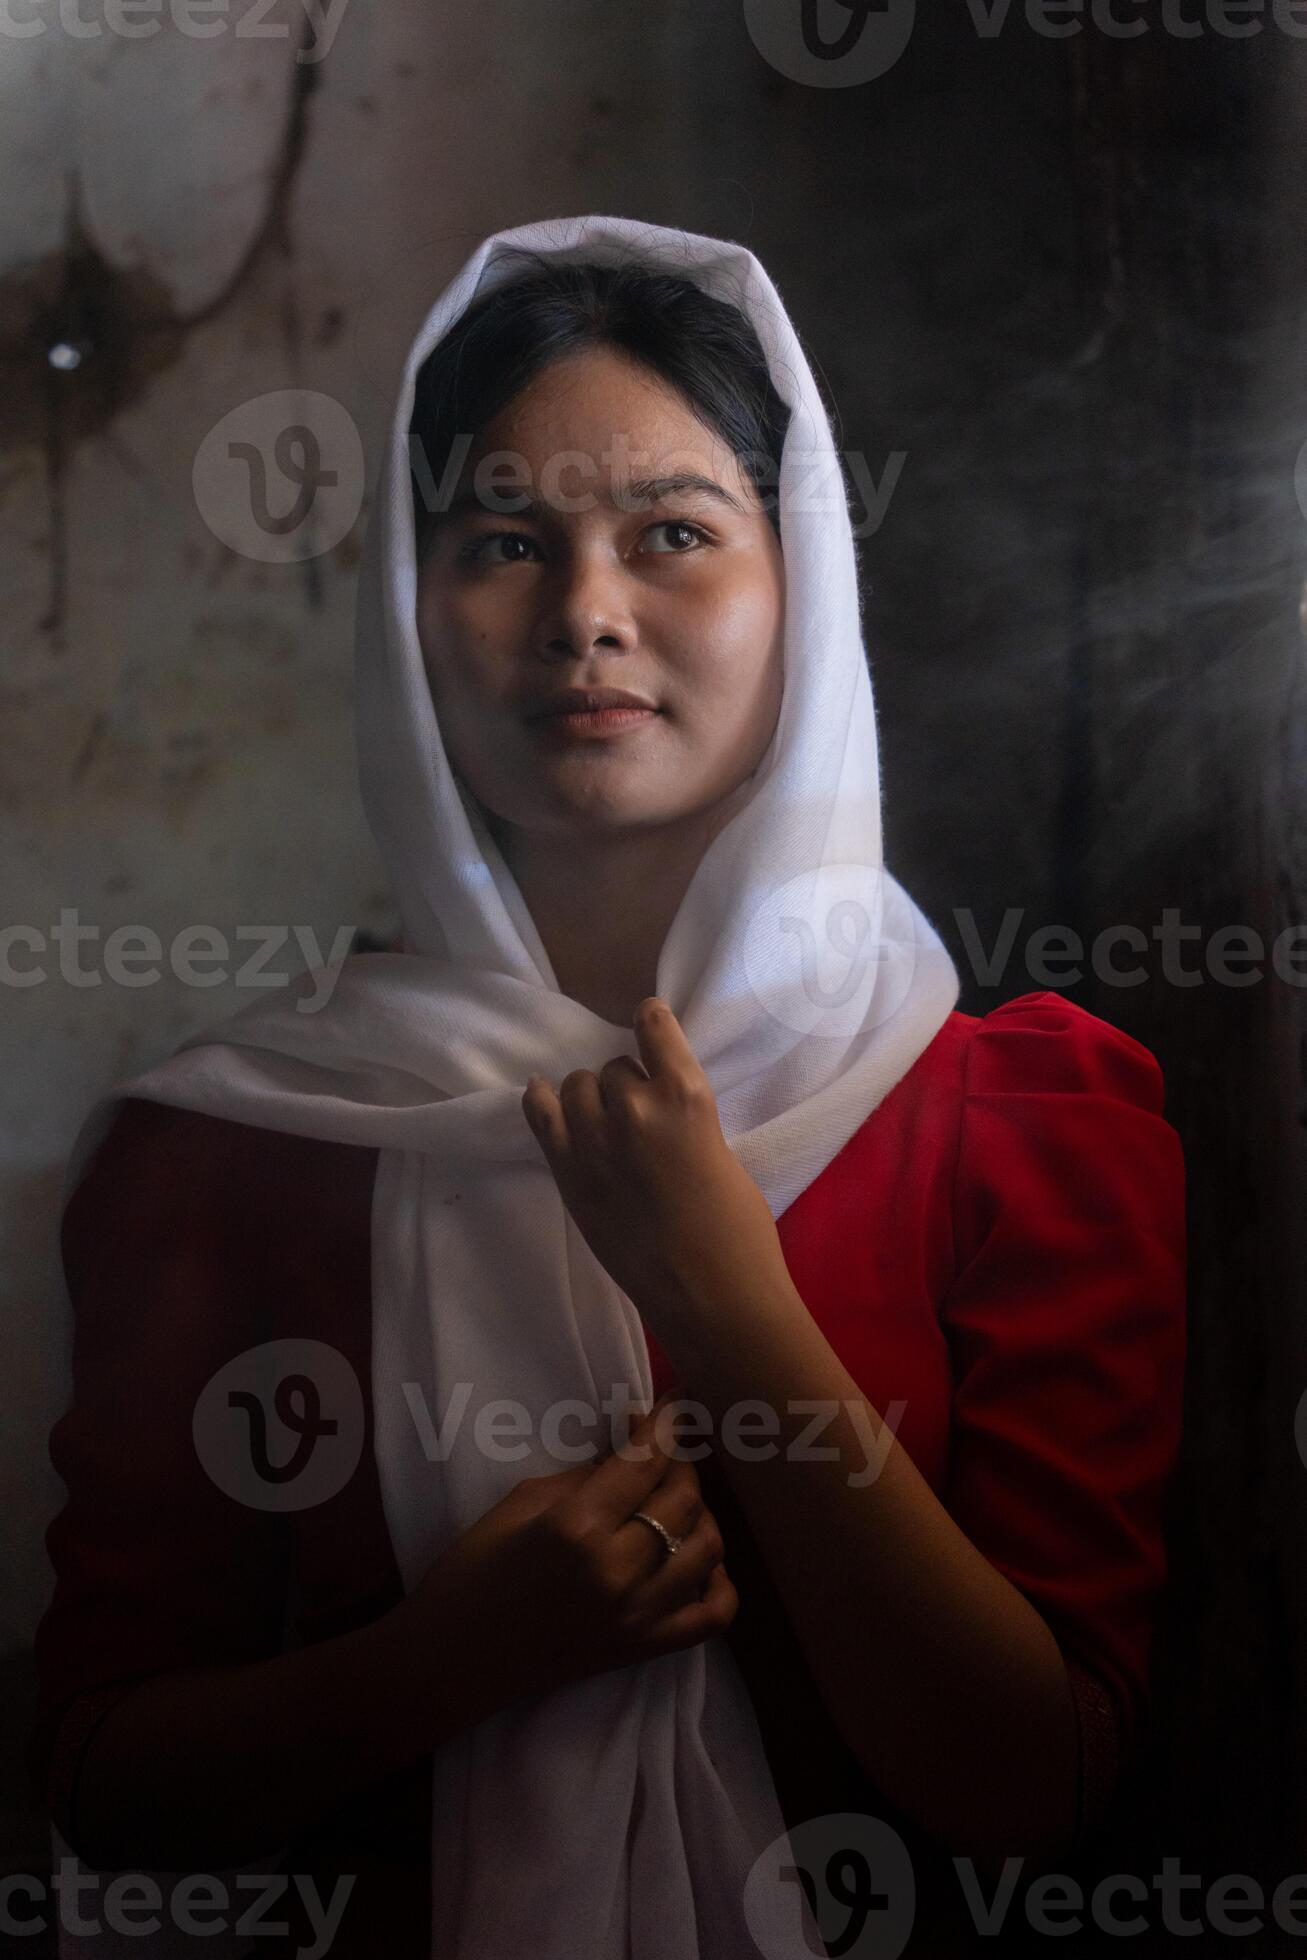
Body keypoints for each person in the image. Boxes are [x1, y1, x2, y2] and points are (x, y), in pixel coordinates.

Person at [28, 216, 1186, 1959]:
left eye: (674, 534)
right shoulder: (235, 1148)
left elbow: (1034, 1778)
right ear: (408, 615)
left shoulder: (1022, 1124)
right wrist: (449, 1661)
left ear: (804, 587)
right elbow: (106, 1781)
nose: (585, 614)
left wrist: (728, 1301)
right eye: (505, 541)